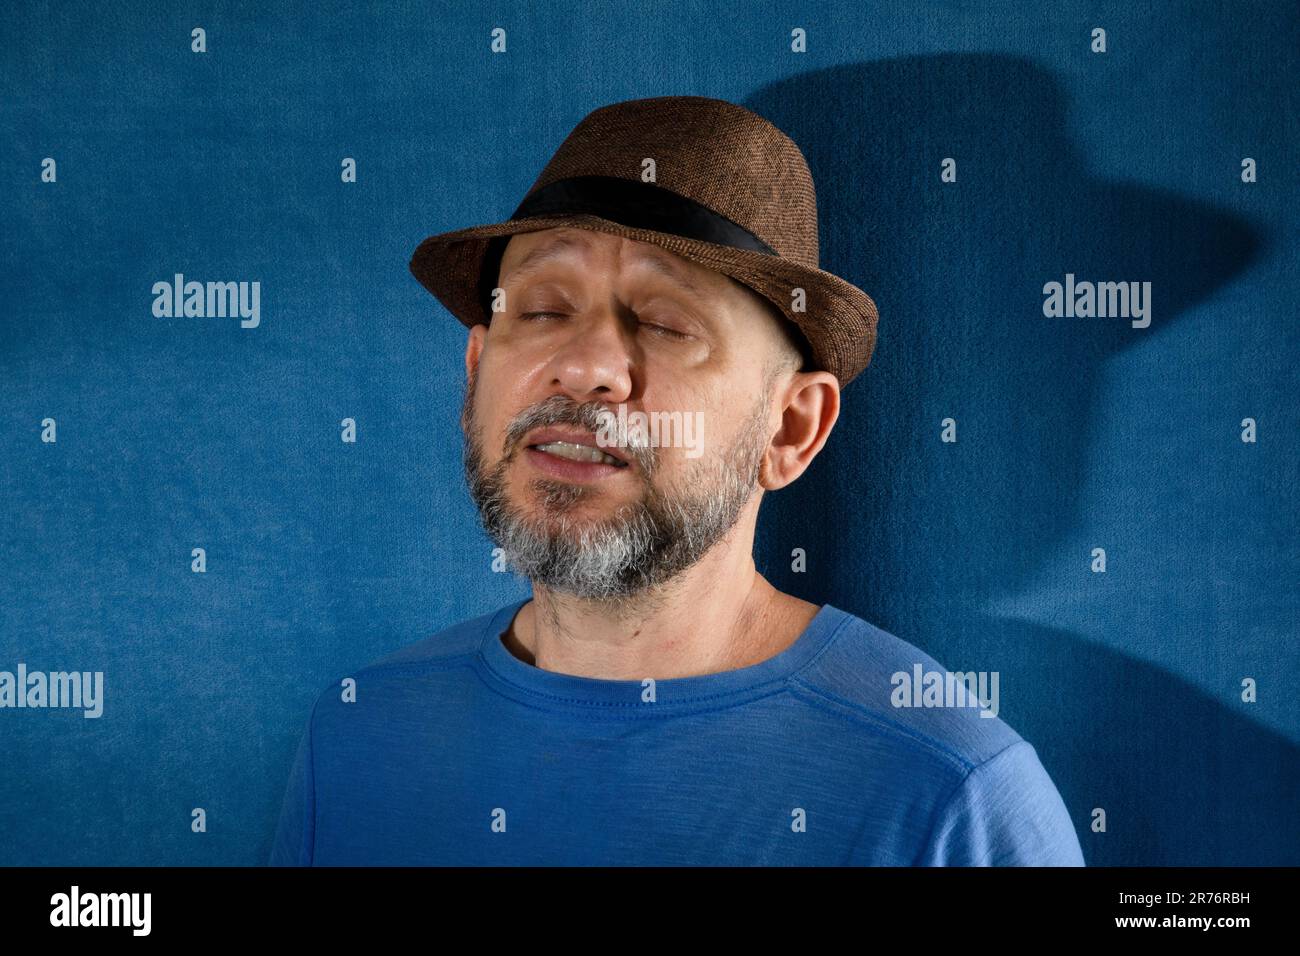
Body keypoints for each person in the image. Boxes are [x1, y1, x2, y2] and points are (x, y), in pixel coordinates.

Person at [269, 95, 1084, 866]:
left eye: (664, 323)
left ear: (790, 429)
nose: (585, 368)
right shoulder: (356, 736)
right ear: (477, 371)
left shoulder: (950, 797)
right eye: (544, 310)